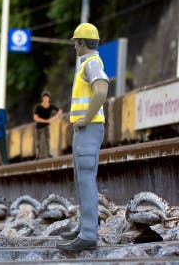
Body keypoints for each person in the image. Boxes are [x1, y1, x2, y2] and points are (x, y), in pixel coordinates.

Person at [57, 23, 108, 252]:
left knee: (86, 180)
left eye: (76, 43)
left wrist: (86, 119)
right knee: (81, 179)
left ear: (82, 43)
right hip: (84, 131)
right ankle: (83, 228)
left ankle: (88, 234)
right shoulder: (87, 65)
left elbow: (101, 89)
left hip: (89, 129)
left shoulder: (92, 63)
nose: (75, 47)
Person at [33, 91, 62, 159]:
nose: (46, 99)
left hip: (46, 126)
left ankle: (48, 153)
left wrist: (53, 118)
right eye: (44, 98)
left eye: (47, 98)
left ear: (49, 98)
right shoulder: (38, 107)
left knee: (47, 140)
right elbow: (35, 117)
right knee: (38, 141)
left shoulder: (51, 106)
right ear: (42, 98)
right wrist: (45, 121)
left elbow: (60, 111)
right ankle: (38, 155)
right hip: (39, 127)